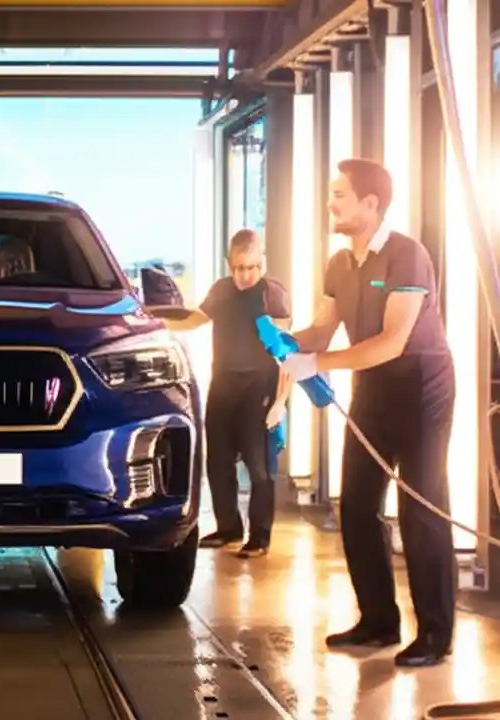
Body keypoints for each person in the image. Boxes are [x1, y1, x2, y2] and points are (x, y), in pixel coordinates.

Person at [280, 158, 456, 667]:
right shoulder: (340, 263)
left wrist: (317, 362)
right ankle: (379, 621)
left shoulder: (407, 256)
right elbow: (322, 330)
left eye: (339, 195)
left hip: (421, 388)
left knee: (421, 509)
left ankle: (436, 634)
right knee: (356, 505)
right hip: (372, 388)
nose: (330, 203)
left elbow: (392, 341)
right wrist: (285, 342)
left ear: (371, 203)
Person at [157, 229, 290, 559]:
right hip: (223, 385)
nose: (246, 275)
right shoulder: (221, 290)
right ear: (230, 264)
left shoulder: (272, 294)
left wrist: (280, 402)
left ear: (262, 263)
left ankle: (260, 537)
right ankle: (229, 527)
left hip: (259, 387)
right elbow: (193, 320)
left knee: (259, 467)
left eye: (252, 267)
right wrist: (156, 323)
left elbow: (288, 353)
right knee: (217, 461)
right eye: (239, 268)